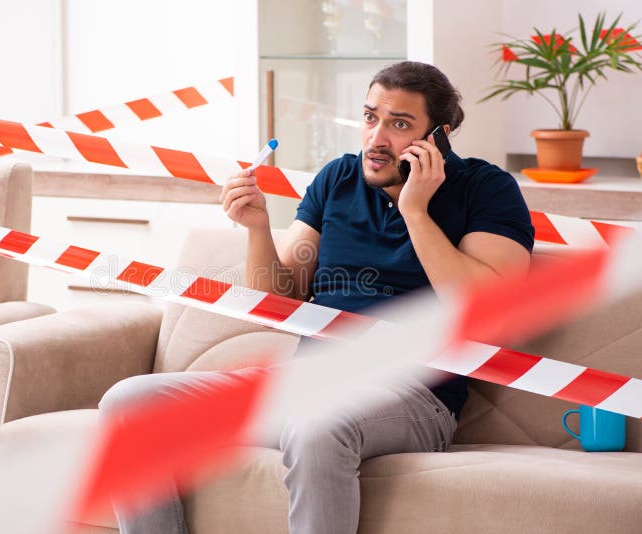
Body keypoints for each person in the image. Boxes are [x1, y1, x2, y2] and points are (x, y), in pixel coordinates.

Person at [99, 60, 535, 534]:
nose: (376, 137)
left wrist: (415, 209)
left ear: (439, 137)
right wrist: (258, 228)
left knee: (314, 423)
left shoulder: (487, 189)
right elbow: (278, 301)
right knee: (129, 402)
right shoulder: (337, 180)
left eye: (400, 124)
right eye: (370, 118)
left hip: (413, 394)